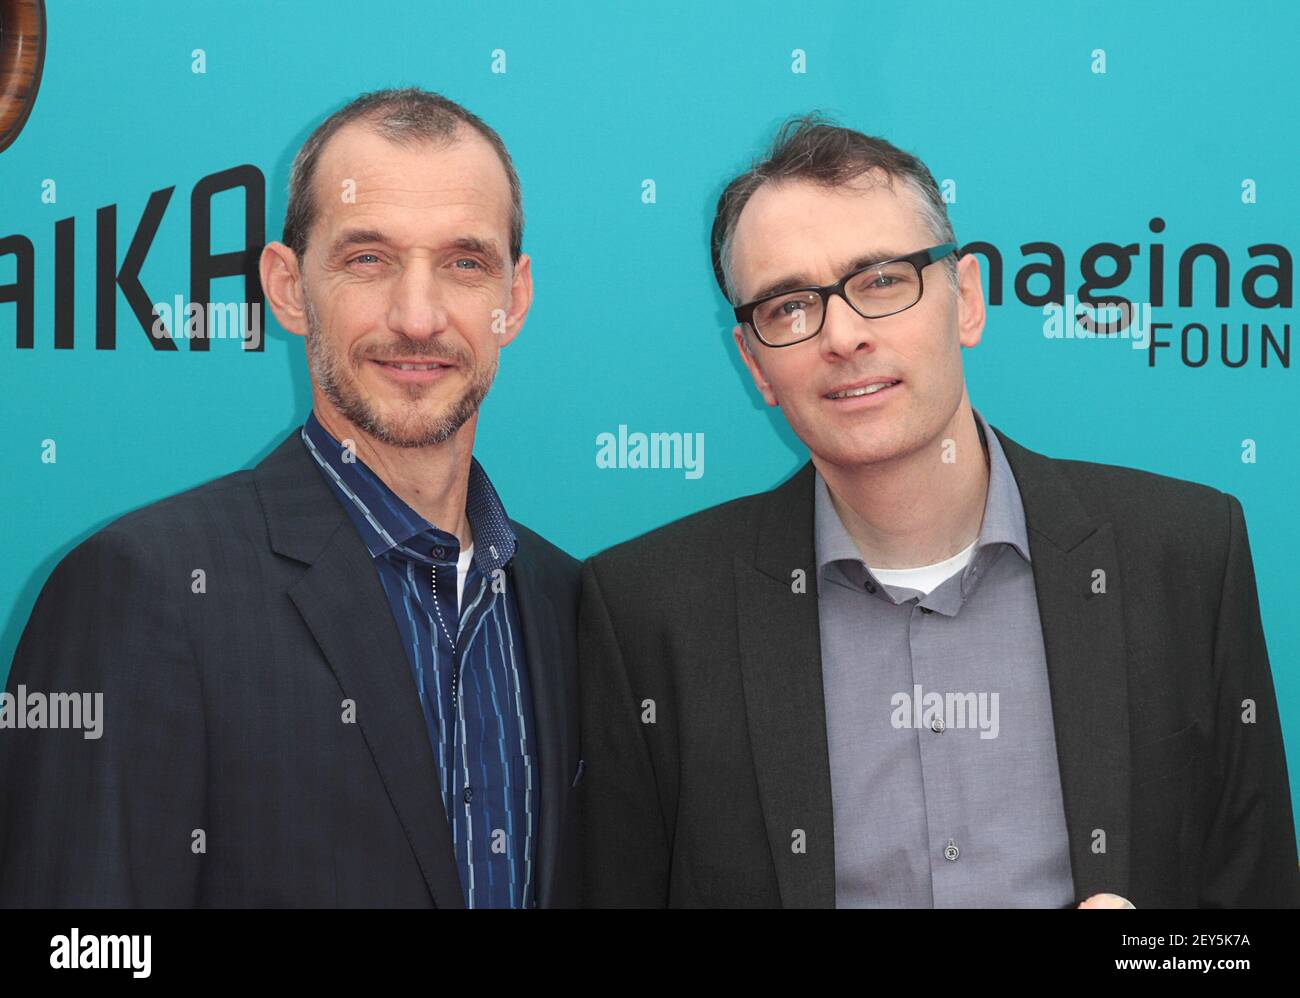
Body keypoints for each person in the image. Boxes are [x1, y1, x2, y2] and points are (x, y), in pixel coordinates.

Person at [576, 113, 1300, 908]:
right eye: (788, 306)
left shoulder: (1186, 555)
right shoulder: (648, 613)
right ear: (756, 365)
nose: (843, 335)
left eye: (881, 280)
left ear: (966, 300)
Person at [0, 88, 580, 908]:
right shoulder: (141, 590)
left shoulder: (565, 601)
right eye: (367, 259)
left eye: (463, 263)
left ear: (512, 301)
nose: (417, 319)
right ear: (288, 288)